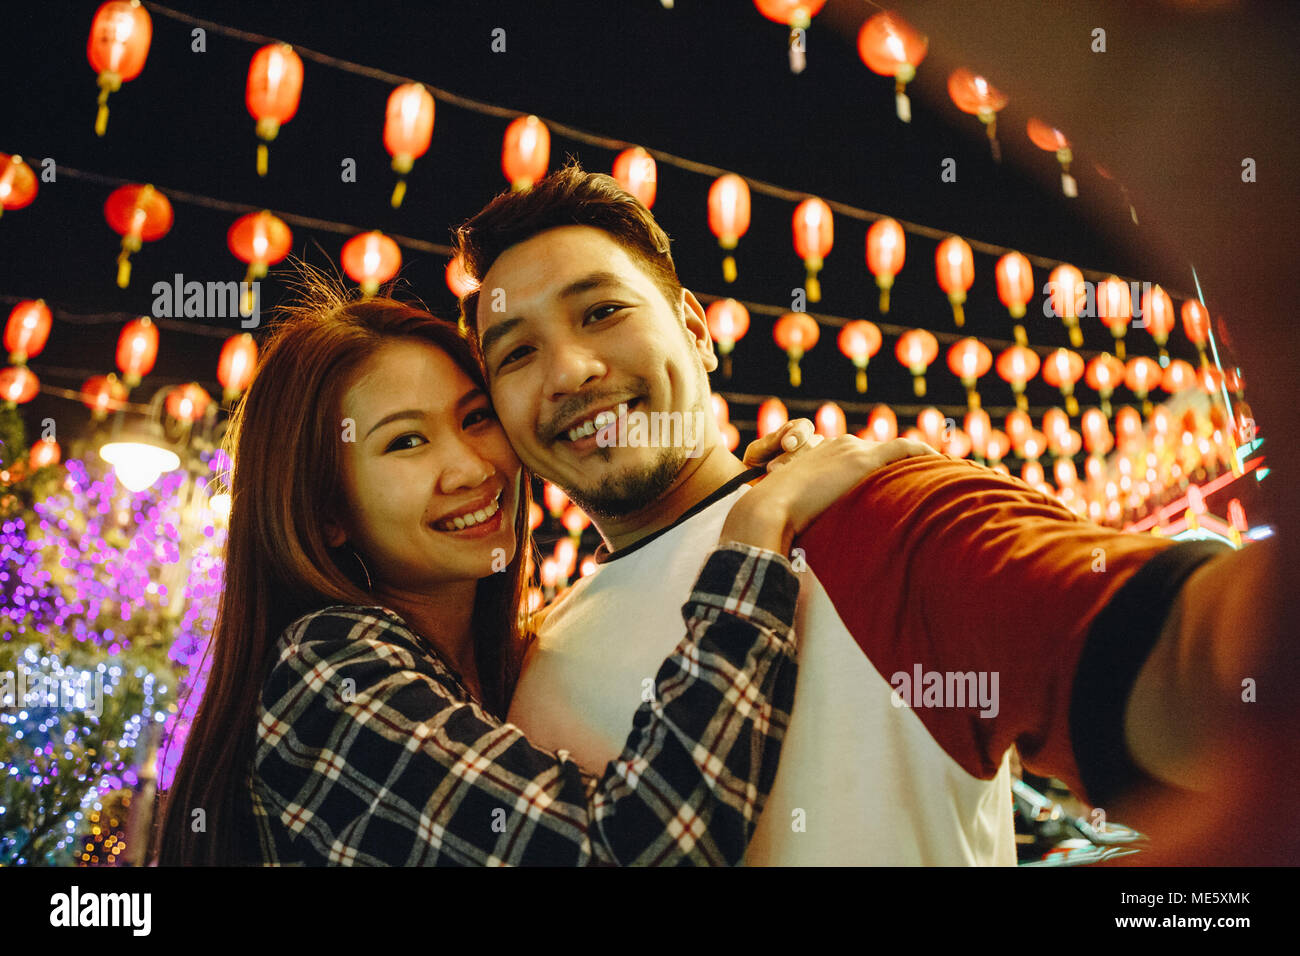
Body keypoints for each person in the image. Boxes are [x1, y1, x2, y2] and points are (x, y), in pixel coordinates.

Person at [453, 163, 1280, 865]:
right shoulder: (518, 670)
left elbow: (1182, 651)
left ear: (697, 331)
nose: (569, 370)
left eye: (602, 311)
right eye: (517, 352)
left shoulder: (870, 515)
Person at [150, 274, 927, 866]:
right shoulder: (325, 668)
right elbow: (633, 846)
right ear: (327, 510)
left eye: (474, 418)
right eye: (405, 443)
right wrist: (755, 531)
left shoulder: (516, 662)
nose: (470, 468)